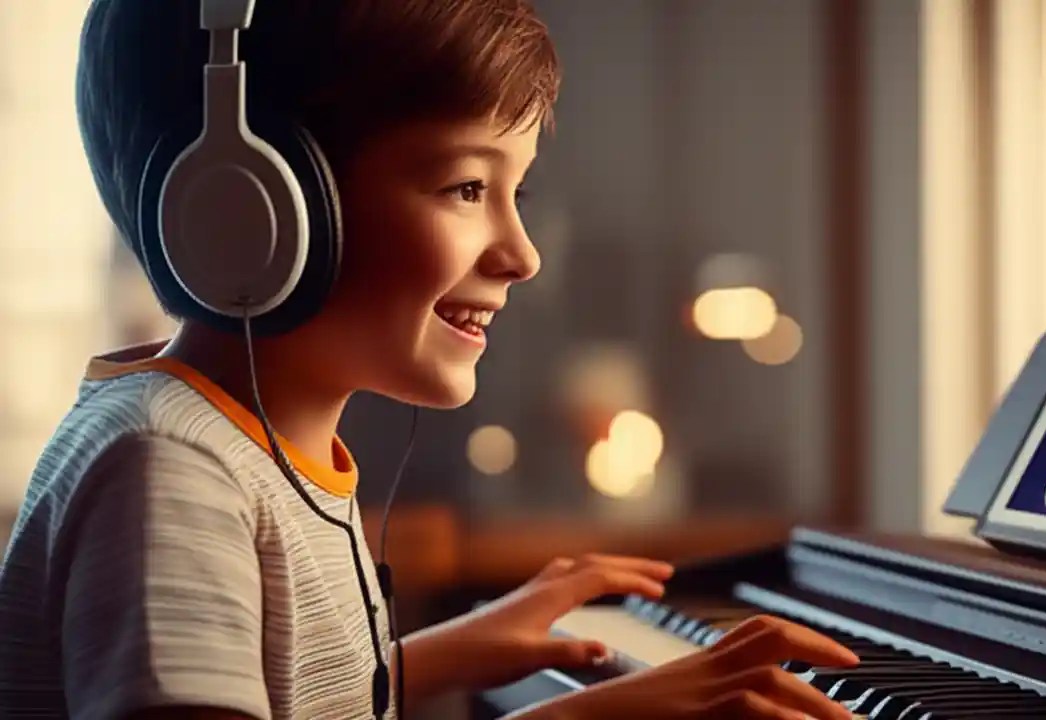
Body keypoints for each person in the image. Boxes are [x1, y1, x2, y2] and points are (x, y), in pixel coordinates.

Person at [0, 1, 860, 718]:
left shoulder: (230, 447)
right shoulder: (170, 475)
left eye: (513, 191)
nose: (522, 255)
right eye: (466, 189)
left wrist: (434, 659)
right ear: (250, 206)